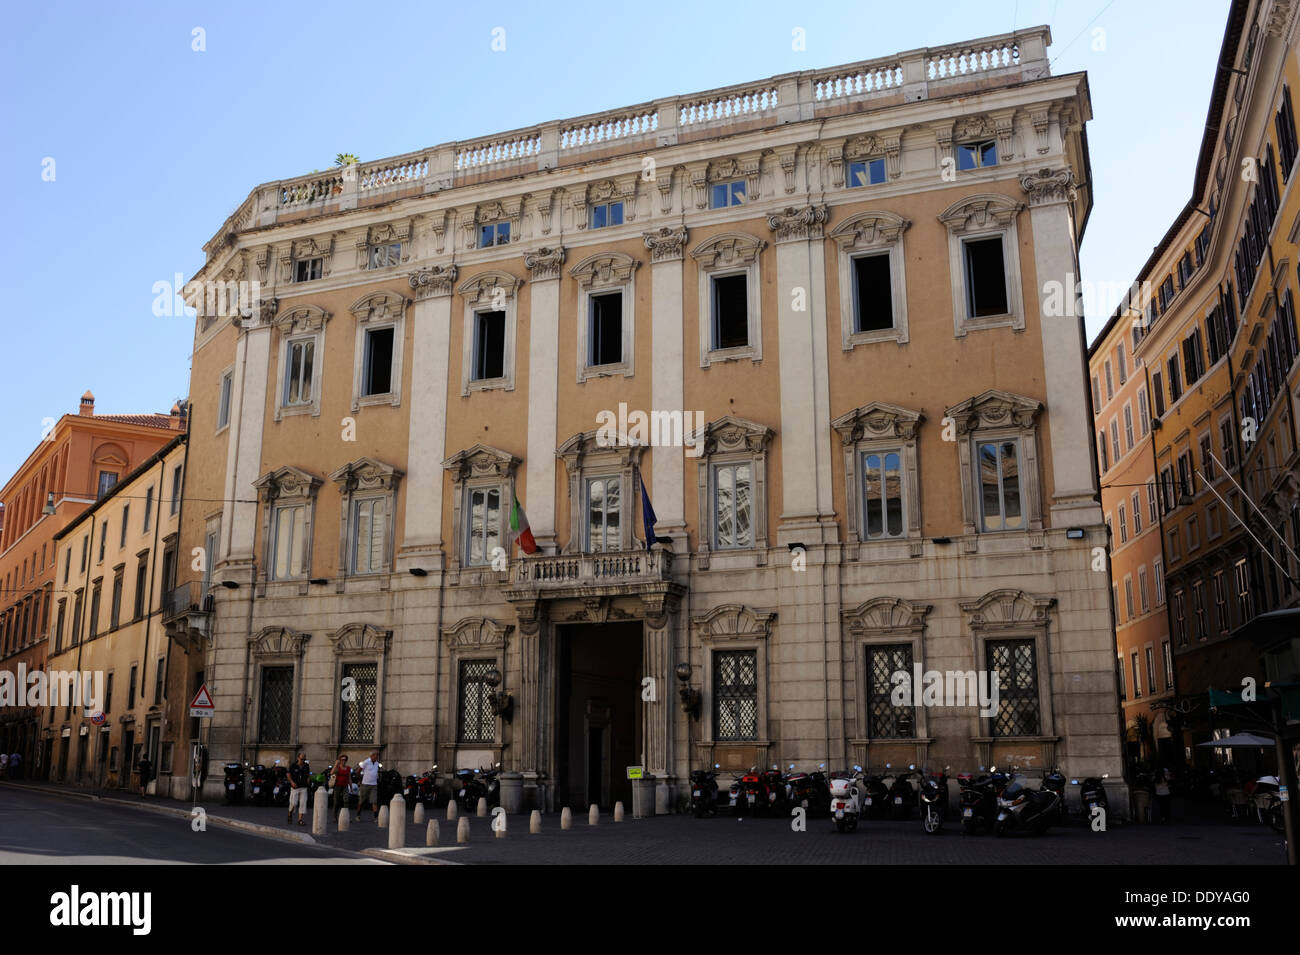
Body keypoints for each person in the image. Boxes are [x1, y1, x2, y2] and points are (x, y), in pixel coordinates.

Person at [357, 750, 381, 822]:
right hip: (365, 784)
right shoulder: (366, 762)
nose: (377, 756)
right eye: (376, 755)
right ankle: (358, 815)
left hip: (374, 785)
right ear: (372, 756)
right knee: (361, 801)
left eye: (377, 755)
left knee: (374, 801)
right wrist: (360, 780)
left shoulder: (377, 763)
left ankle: (375, 817)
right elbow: (358, 771)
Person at [287, 752, 311, 825]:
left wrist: (308, 778)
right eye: (301, 759)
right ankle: (290, 813)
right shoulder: (293, 766)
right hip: (295, 787)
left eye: (304, 759)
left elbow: (308, 774)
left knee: (303, 803)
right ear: (298, 758)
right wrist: (292, 782)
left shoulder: (306, 766)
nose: (303, 761)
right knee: (294, 803)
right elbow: (288, 775)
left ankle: (300, 820)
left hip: (303, 787)